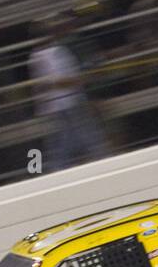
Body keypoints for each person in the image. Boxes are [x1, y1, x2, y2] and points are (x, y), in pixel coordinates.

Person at [27, 14, 110, 173]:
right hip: (65, 104)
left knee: (69, 141)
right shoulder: (49, 53)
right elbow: (57, 81)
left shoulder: (46, 53)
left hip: (64, 104)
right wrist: (83, 79)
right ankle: (100, 159)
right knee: (84, 138)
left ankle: (61, 167)